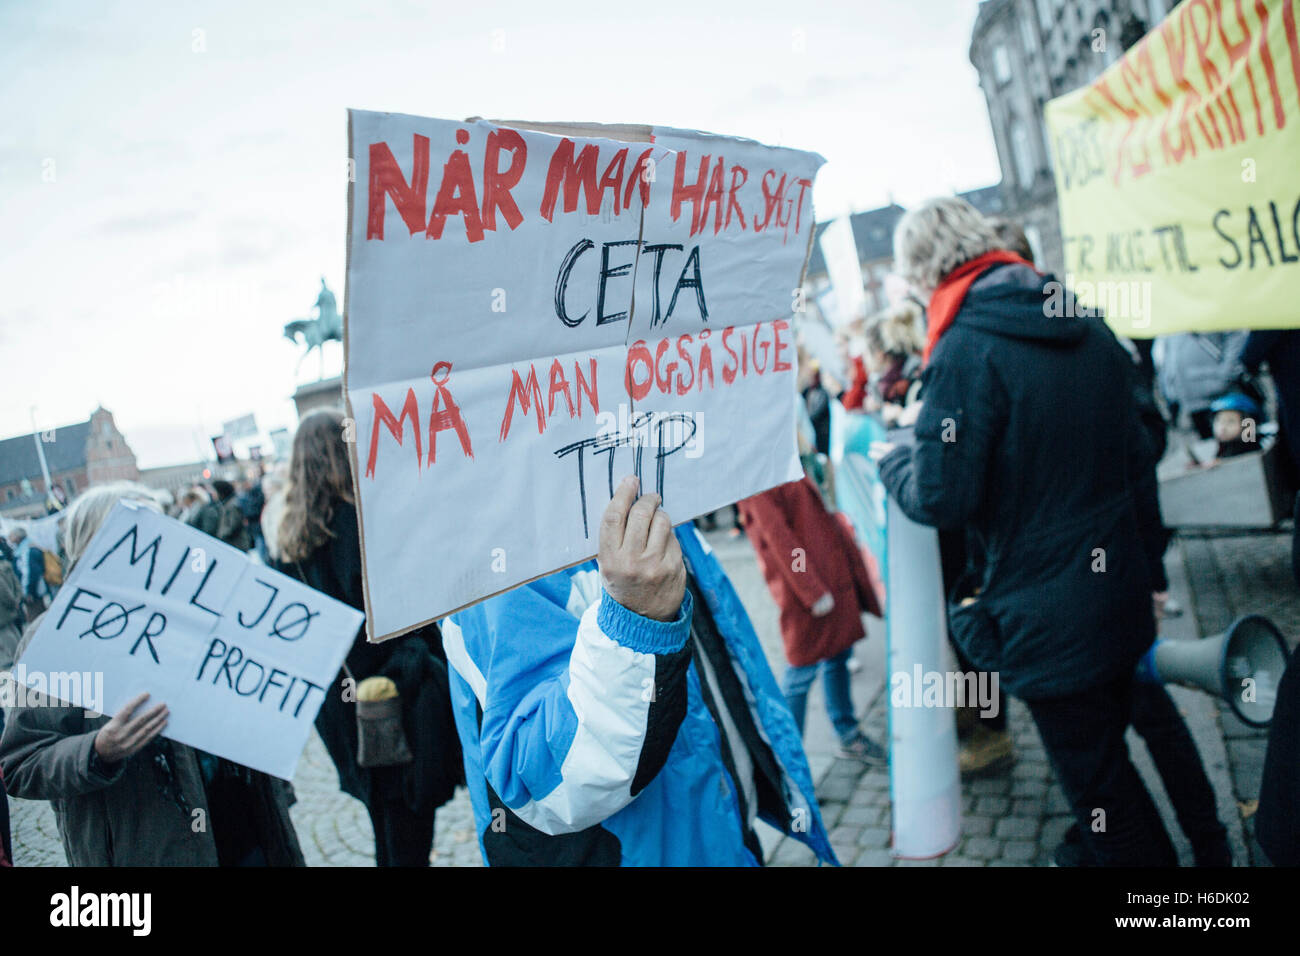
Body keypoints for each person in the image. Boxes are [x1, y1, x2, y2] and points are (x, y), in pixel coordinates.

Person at [875, 196, 1177, 866]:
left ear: (924, 268)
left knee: (1101, 790)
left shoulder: (960, 345)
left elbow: (941, 496)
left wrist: (895, 459)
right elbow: (1139, 448)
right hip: (1116, 585)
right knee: (1114, 769)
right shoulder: (1078, 313)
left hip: (1045, 613)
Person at [442, 476, 837, 866]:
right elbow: (546, 782)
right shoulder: (500, 544)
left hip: (720, 828)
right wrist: (634, 623)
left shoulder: (635, 479)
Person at [0, 482, 305, 866]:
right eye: (144, 530)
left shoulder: (200, 608)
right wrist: (97, 751)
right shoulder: (53, 637)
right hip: (149, 850)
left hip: (247, 831)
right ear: (96, 542)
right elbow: (22, 763)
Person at [273, 409, 462, 867]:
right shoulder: (357, 526)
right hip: (390, 698)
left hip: (343, 706)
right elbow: (391, 627)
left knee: (389, 822)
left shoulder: (290, 541)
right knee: (406, 827)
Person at [737, 475, 885, 761]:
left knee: (839, 653)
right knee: (801, 668)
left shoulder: (777, 454)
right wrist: (811, 588)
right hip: (808, 588)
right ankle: (789, 761)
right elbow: (778, 536)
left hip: (828, 574)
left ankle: (846, 732)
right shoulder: (758, 471)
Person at [1157, 331, 1249, 439]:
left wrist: (1225, 375)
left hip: (1223, 396)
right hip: (1191, 400)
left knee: (1239, 446)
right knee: (1210, 449)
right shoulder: (1170, 323)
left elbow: (1236, 337)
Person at [7, 528, 48, 623]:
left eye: (12, 536)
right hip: (34, 590)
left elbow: (29, 573)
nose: (10, 539)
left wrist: (29, 592)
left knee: (36, 618)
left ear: (18, 537)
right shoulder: (25, 548)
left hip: (33, 591)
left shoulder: (26, 551)